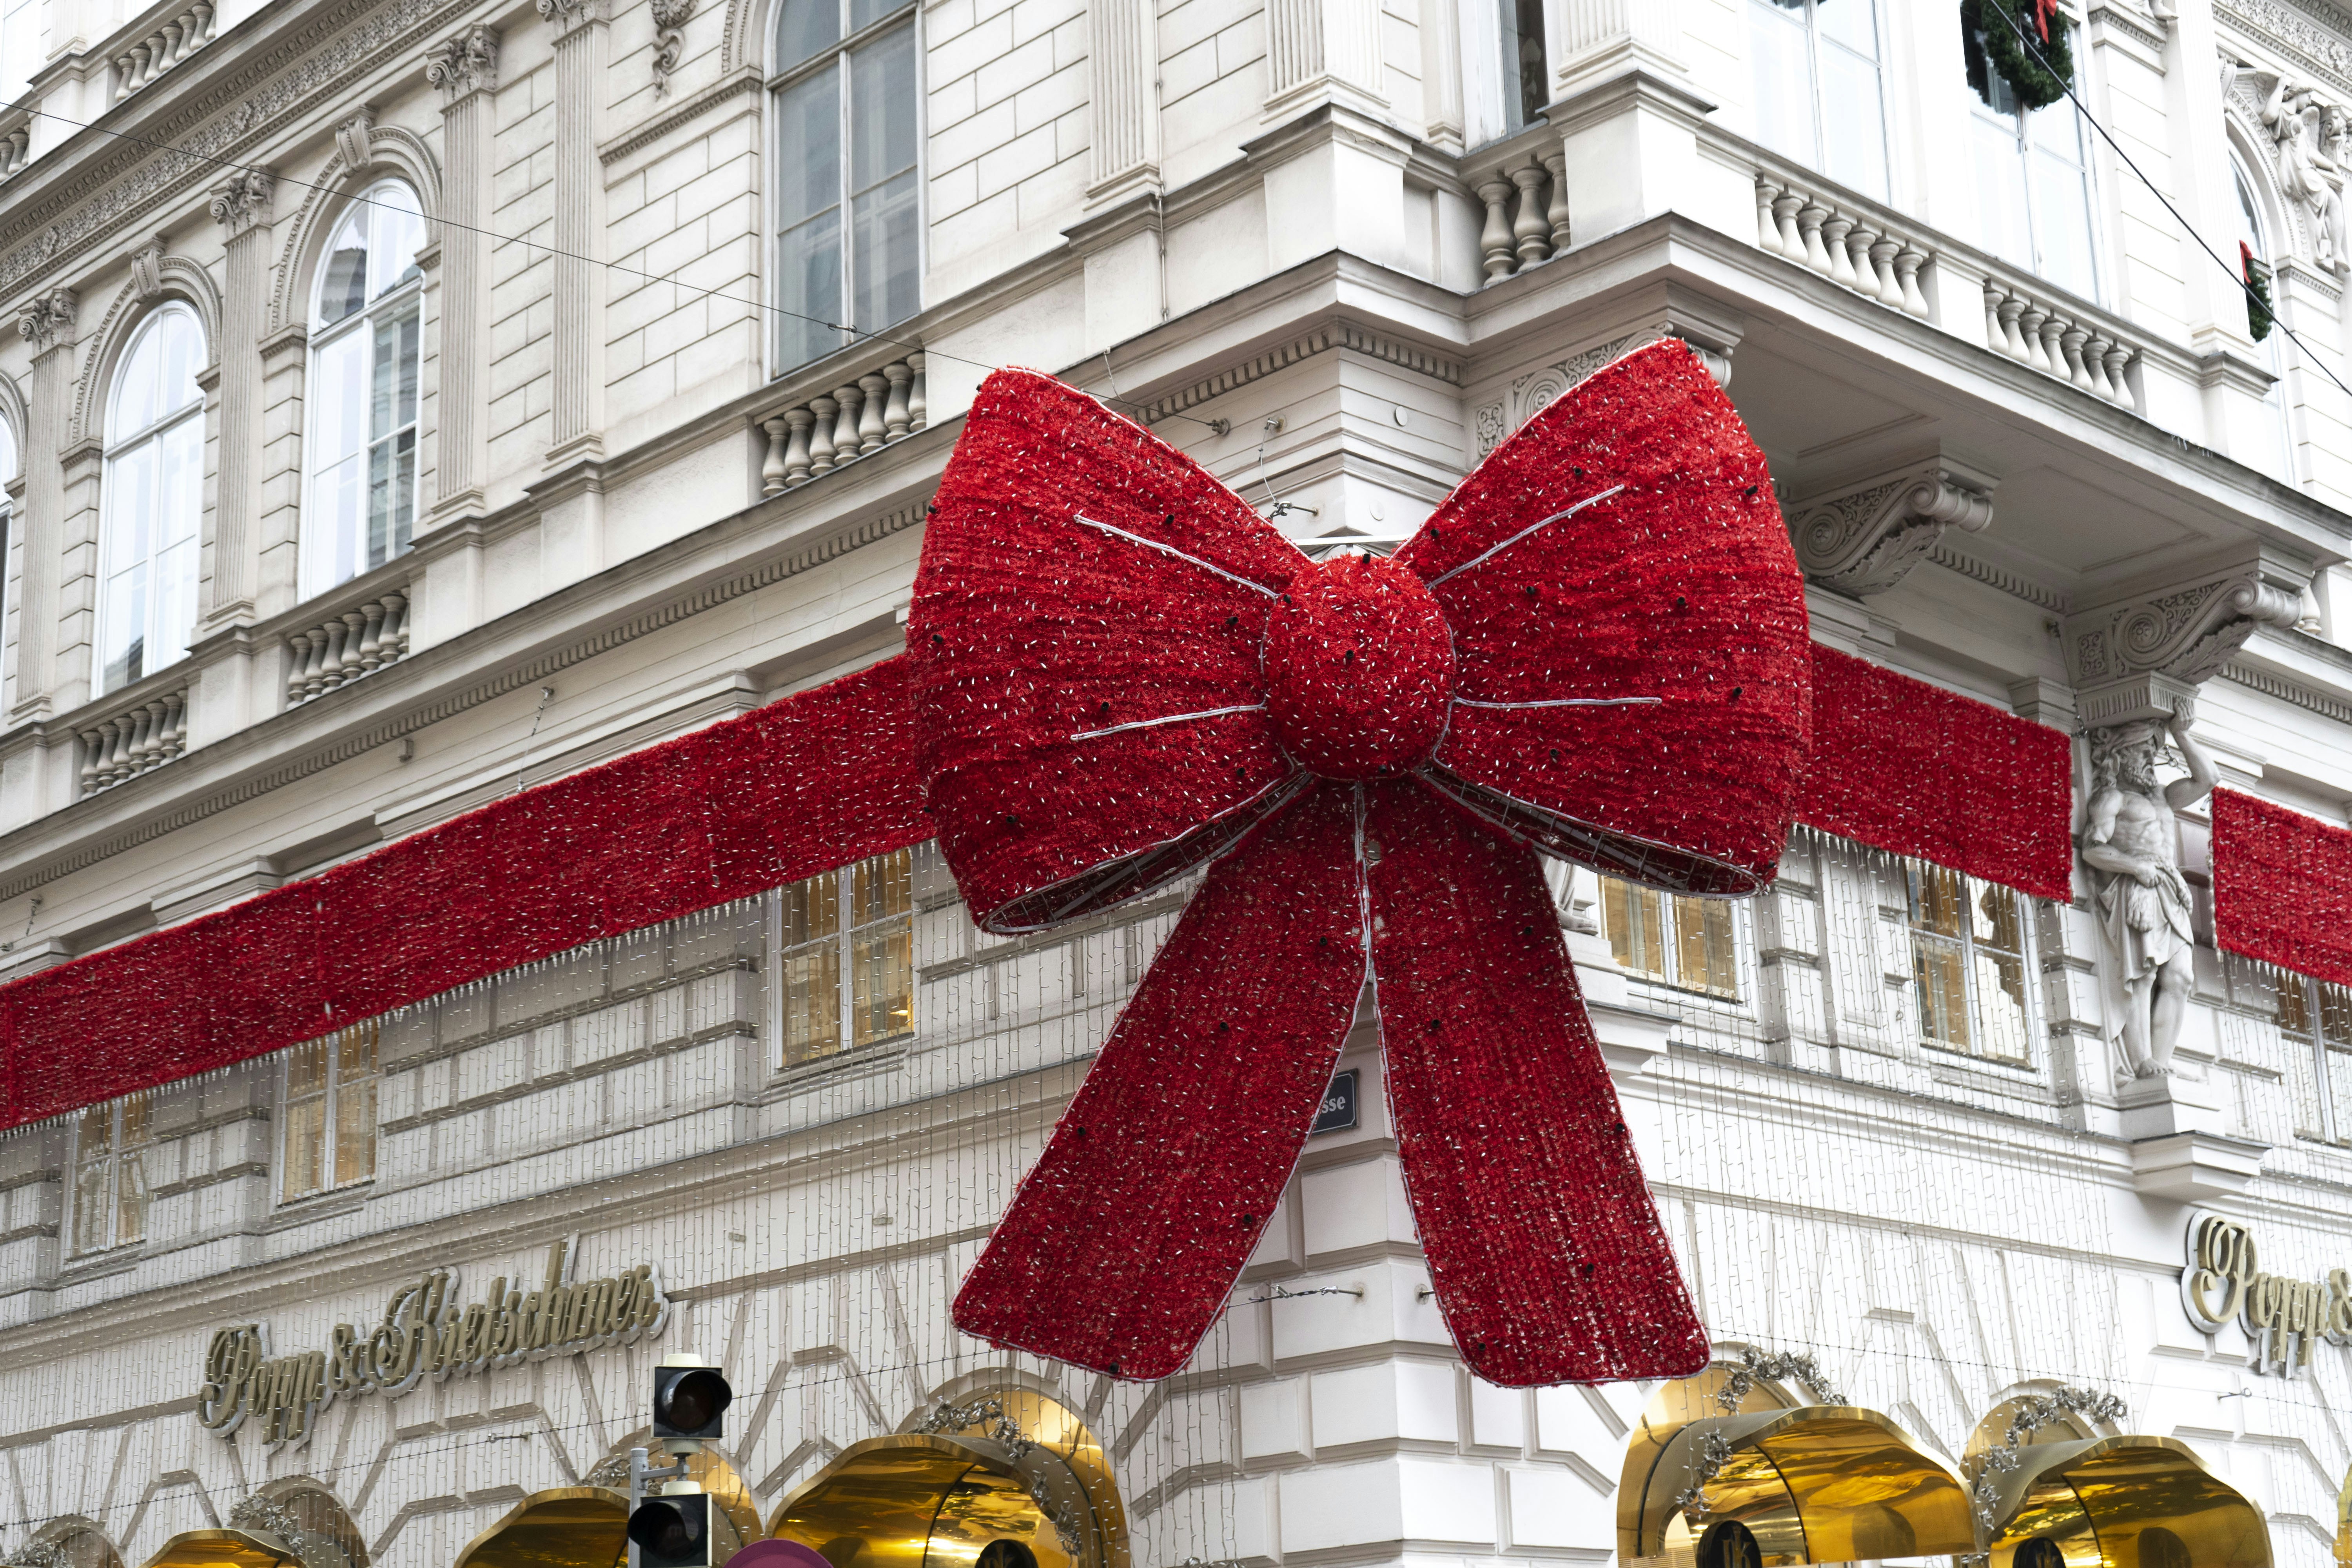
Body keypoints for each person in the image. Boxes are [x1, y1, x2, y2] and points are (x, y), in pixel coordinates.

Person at [2080, 701, 2216, 1078]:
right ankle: (2143, 1062)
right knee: (2144, 975)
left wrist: (2181, 734)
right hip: (2137, 886)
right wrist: (2136, 866)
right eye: (2141, 750)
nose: (2149, 759)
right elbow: (2093, 848)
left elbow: (2208, 780)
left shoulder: (2163, 797)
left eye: (2152, 751)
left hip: (2169, 888)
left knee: (2181, 978)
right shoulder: (2112, 799)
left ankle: (2162, 1058)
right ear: (2119, 756)